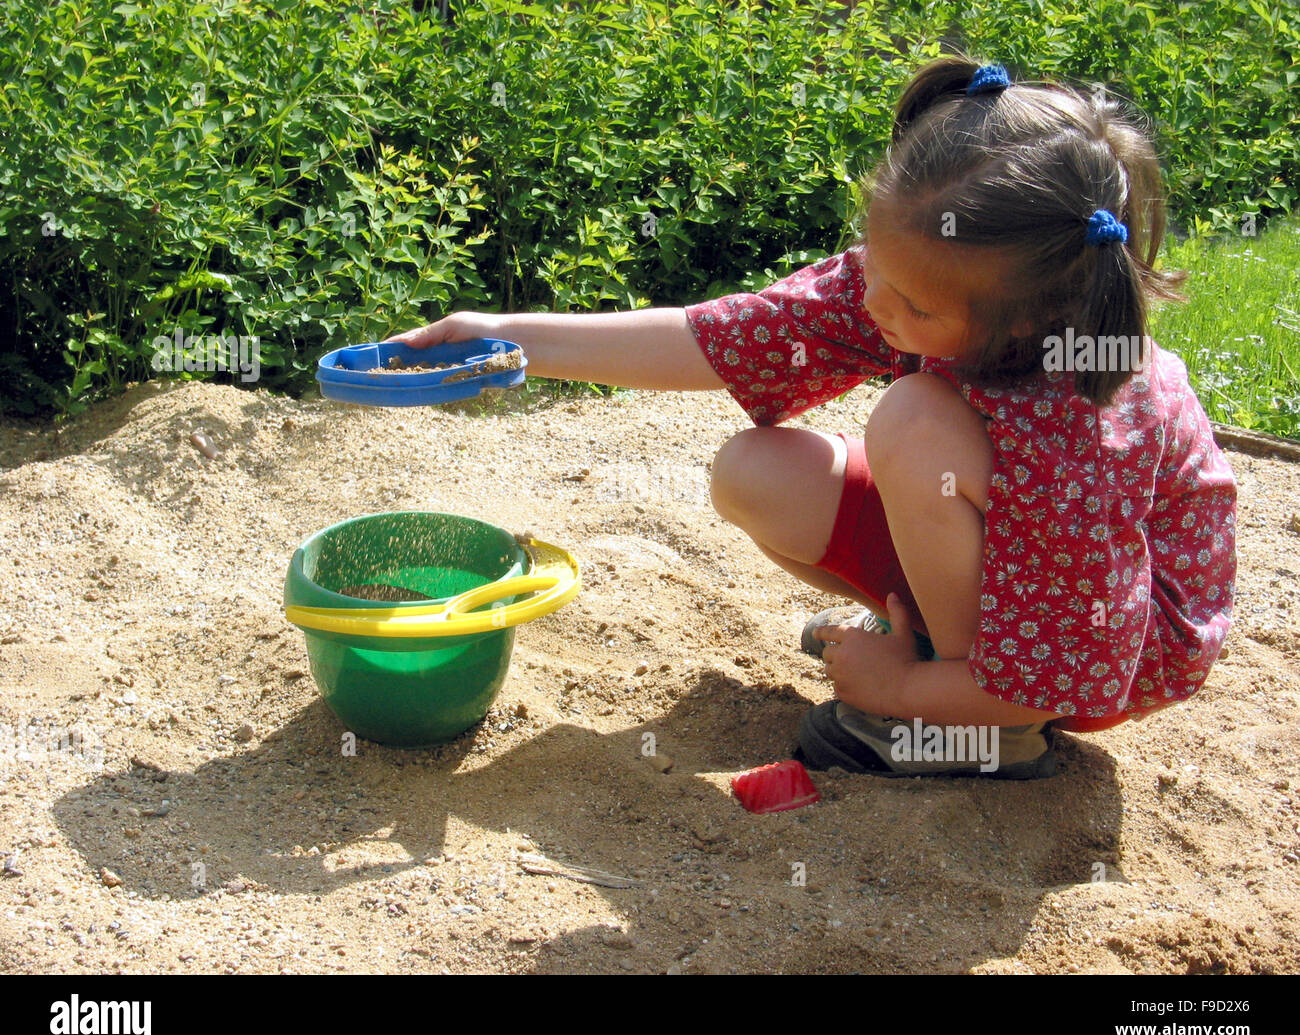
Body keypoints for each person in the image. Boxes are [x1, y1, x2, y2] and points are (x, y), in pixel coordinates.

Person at [388, 57, 1237, 779]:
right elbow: (719, 338)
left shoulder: (1090, 432)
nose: (872, 304)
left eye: (905, 302)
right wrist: (504, 341)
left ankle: (987, 734)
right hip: (1024, 581)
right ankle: (944, 647)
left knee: (910, 420)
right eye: (873, 269)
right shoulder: (931, 277)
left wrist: (905, 694)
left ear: (1025, 321)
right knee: (757, 473)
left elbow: (1078, 670)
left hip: (1108, 648)